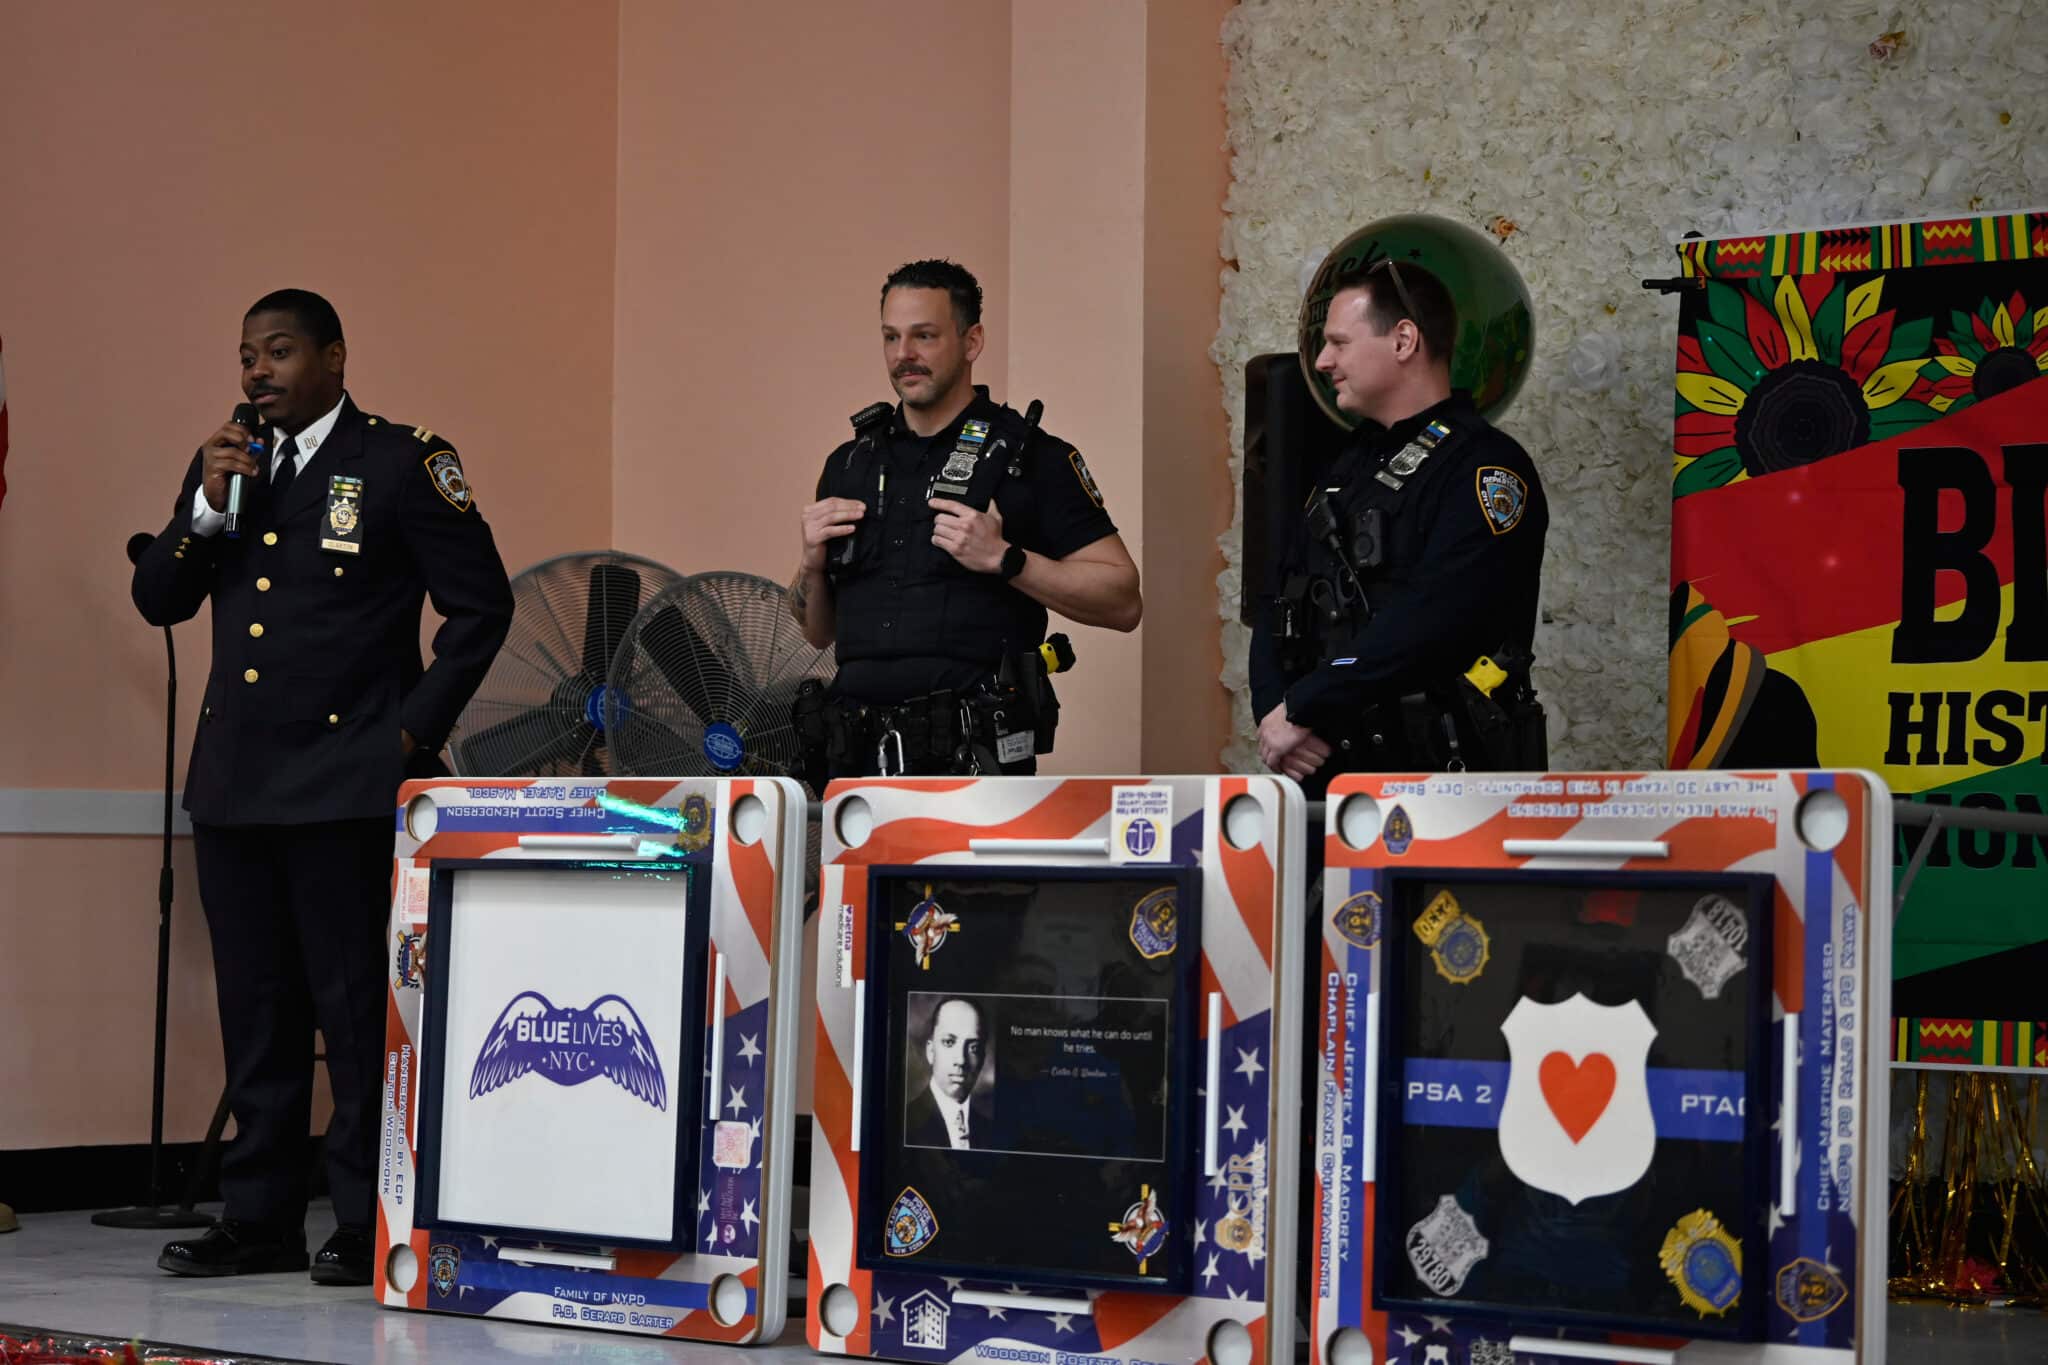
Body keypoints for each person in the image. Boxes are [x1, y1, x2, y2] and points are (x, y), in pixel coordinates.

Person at [131, 289, 513, 1284]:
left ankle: (359, 1216)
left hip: (347, 780)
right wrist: (207, 509)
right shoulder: (228, 464)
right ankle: (256, 1217)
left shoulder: (398, 462)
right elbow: (158, 598)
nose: (259, 372)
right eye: (248, 355)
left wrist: (409, 732)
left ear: (336, 359)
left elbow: (482, 608)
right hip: (236, 781)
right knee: (255, 1011)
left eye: (282, 351)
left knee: (351, 1013)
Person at [790, 259, 1141, 778]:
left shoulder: (1029, 456)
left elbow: (1123, 601)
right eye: (891, 337)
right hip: (854, 766)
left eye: (924, 336)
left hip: (972, 764)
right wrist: (811, 565)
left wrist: (1006, 560)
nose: (903, 355)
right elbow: (819, 635)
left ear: (971, 341)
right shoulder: (850, 463)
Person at [1250, 259, 1549, 797]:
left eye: (1339, 342)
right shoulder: (1344, 468)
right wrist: (1275, 717)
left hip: (1442, 782)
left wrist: (1303, 706)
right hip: (1323, 773)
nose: (1322, 361)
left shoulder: (1482, 466)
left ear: (1404, 339)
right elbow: (1279, 596)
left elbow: (1435, 619)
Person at [904, 997, 994, 1150]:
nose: (960, 1060)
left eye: (973, 1047)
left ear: (983, 1057)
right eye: (949, 1042)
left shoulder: (990, 1130)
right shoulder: (905, 1122)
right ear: (931, 1051)